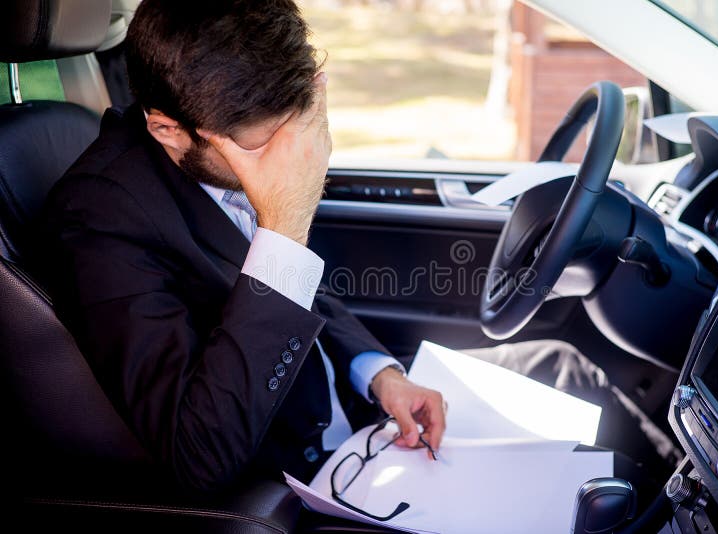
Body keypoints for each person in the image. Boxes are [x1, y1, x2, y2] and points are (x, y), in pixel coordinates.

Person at [42, 0, 445, 492]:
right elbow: (198, 454)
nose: (293, 154)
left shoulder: (231, 148)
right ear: (169, 130)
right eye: (262, 144)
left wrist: (379, 374)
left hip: (367, 426)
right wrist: (285, 226)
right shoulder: (101, 217)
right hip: (300, 483)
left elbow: (294, 287)